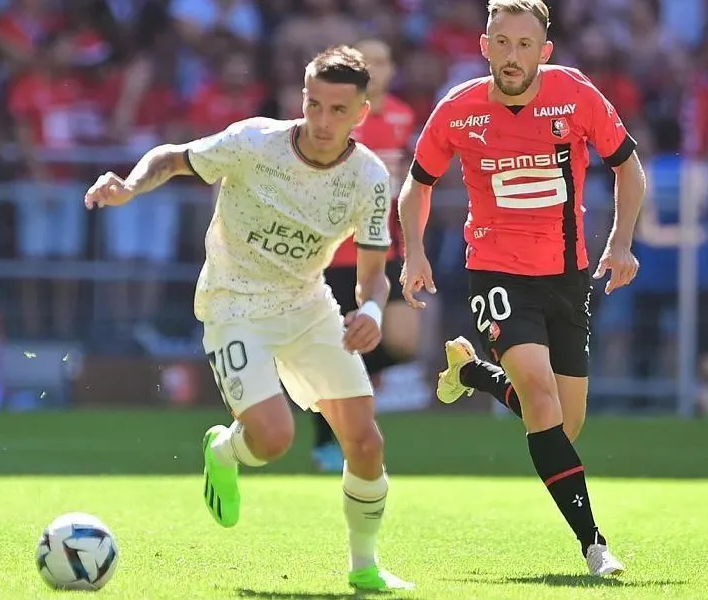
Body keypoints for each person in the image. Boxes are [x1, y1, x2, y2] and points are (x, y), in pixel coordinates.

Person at [83, 46, 413, 592]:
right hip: (233, 304)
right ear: (301, 100)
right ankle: (223, 449)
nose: (322, 120)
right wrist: (131, 186)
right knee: (273, 439)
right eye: (314, 105)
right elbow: (173, 155)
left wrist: (373, 309)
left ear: (361, 114)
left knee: (366, 442)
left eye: (337, 109)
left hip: (307, 305)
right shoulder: (255, 142)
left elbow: (374, 273)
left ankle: (365, 566)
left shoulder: (370, 178)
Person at [398, 0, 646, 577]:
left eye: (525, 45)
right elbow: (416, 187)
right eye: (501, 43)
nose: (512, 56)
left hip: (567, 274)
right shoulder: (458, 110)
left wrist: (621, 241)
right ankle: (595, 545)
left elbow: (628, 167)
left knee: (564, 424)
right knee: (538, 396)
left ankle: (473, 375)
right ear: (484, 47)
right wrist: (413, 252)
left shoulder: (576, 94)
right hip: (496, 271)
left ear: (545, 52)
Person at [312, 38, 421, 473]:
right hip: (335, 252)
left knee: (404, 340)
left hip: (384, 246)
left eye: (383, 60)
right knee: (340, 348)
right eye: (368, 61)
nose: (376, 68)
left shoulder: (401, 115)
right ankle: (325, 442)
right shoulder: (334, 118)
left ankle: (332, 385)